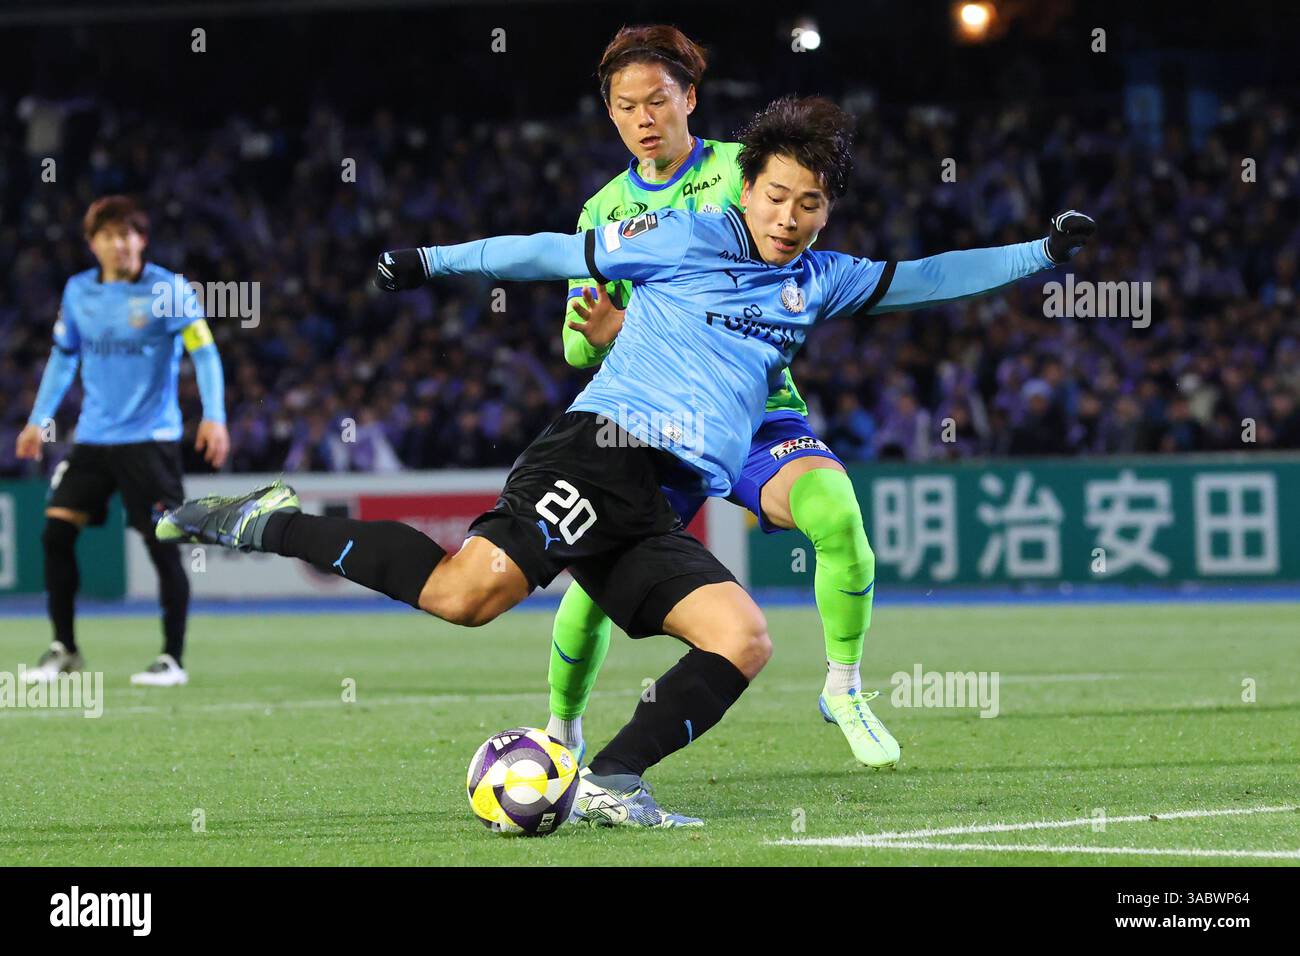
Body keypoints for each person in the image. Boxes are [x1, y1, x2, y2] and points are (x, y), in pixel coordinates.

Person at [160, 96, 1094, 825]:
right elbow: (549, 252)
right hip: (605, 452)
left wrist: (1041, 255)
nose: (790, 217)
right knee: (463, 598)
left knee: (742, 637)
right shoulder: (685, 237)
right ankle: (265, 520)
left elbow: (931, 277)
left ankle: (611, 777)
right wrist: (434, 260)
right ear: (745, 188)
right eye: (775, 196)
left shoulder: (822, 279)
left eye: (809, 203)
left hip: (666, 497)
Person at [548, 24, 897, 769]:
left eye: (658, 101)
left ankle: (844, 686)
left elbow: (801, 250)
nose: (644, 118)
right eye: (626, 106)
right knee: (592, 589)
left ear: (690, 99)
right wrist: (608, 331)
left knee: (835, 513)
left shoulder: (748, 168)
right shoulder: (601, 211)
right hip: (654, 422)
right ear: (610, 114)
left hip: (755, 409)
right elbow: (578, 342)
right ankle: (562, 732)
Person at [17, 196, 230, 687]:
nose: (121, 243)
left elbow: (206, 353)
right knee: (55, 533)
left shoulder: (168, 289)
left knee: (162, 544)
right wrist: (37, 420)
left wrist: (214, 416)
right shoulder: (78, 292)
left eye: (129, 233)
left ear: (143, 239)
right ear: (92, 244)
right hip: (93, 438)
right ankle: (64, 647)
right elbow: (63, 357)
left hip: (149, 441)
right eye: (109, 235)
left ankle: (171, 659)